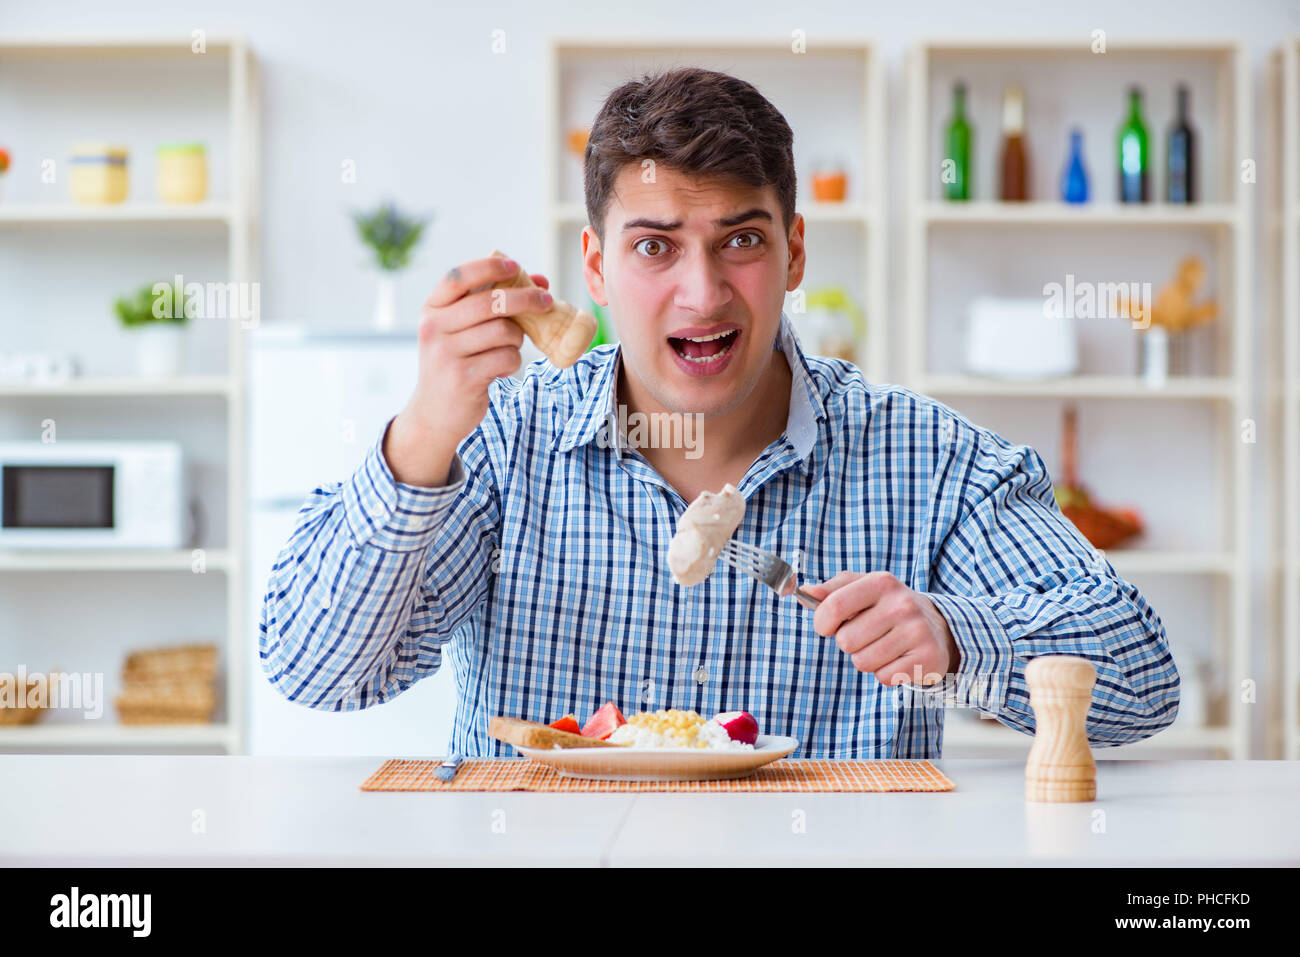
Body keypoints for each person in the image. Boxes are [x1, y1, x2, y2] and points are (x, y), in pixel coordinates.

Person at [259, 66, 1178, 758]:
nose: (702, 295)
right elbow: (318, 672)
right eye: (655, 246)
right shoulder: (504, 440)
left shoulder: (929, 458)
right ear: (594, 268)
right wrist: (420, 435)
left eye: (740, 240)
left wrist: (955, 637)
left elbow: (1143, 676)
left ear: (795, 253)